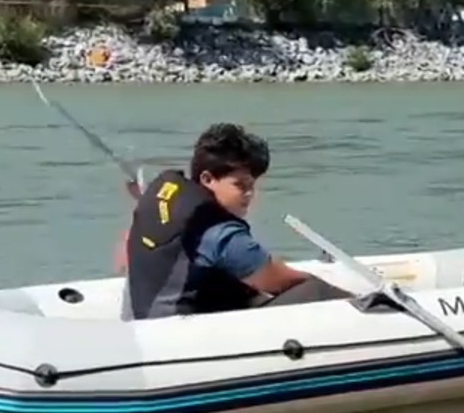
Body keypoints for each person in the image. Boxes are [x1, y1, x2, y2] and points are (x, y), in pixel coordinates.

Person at [122, 123, 353, 321]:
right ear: (207, 178)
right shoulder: (219, 233)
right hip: (181, 337)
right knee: (315, 290)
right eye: (241, 185)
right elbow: (278, 280)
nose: (250, 194)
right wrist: (352, 298)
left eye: (252, 186)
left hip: (144, 320)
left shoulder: (166, 195)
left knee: (242, 288)